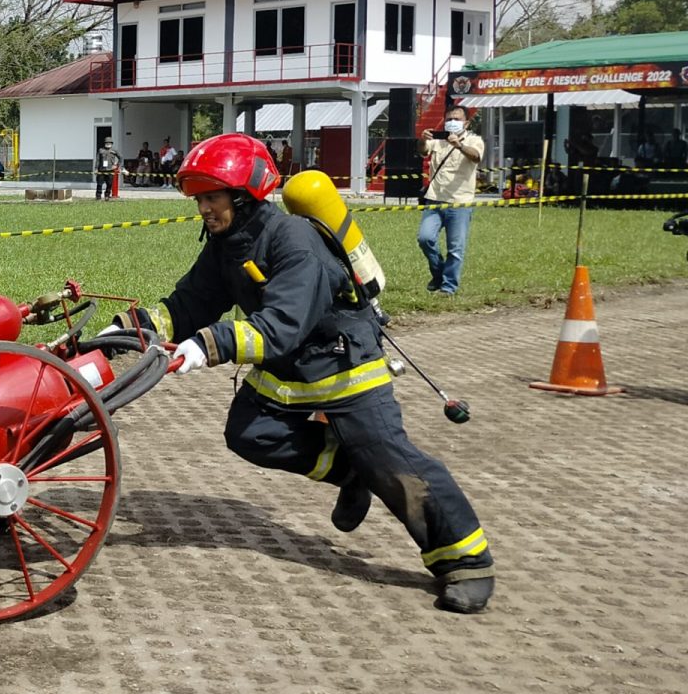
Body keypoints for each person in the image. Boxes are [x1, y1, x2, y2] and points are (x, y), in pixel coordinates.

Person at [133, 133, 494, 613]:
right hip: (289, 368)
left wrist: (211, 343)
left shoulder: (295, 241)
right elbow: (189, 303)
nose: (203, 209)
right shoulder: (228, 243)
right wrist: (129, 328)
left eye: (212, 198)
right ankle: (351, 473)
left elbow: (282, 324)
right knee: (250, 432)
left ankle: (465, 561)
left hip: (344, 363)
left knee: (391, 461)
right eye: (199, 199)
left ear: (243, 195)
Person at [418, 104, 482, 295]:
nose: (452, 122)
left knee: (455, 248)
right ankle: (439, 274)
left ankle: (448, 287)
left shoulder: (474, 140)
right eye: (449, 119)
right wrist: (422, 140)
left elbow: (476, 157)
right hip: (434, 200)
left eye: (457, 119)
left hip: (460, 202)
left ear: (467, 123)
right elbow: (422, 151)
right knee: (425, 238)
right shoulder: (438, 140)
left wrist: (459, 145)